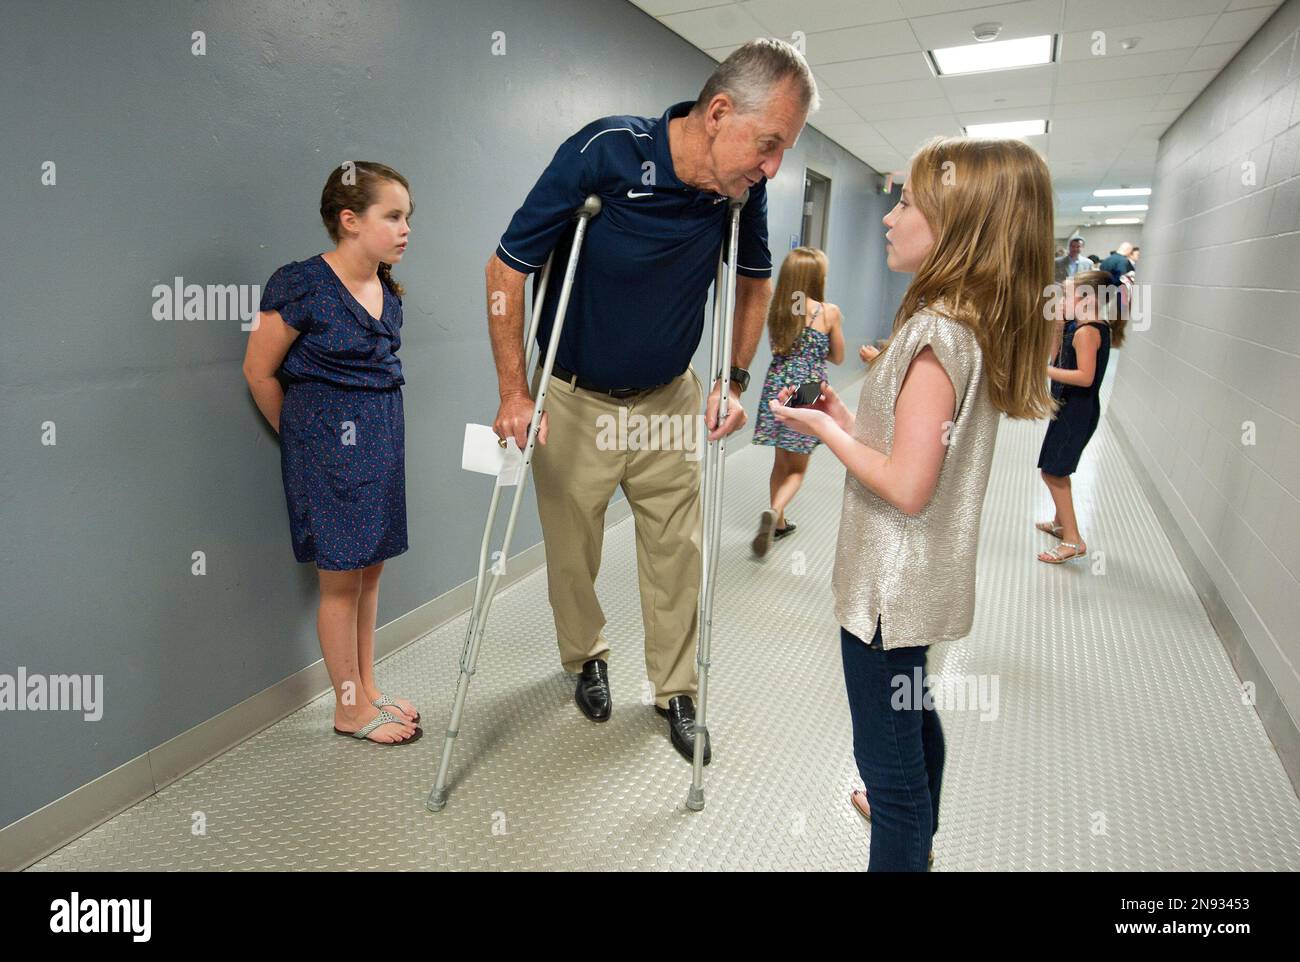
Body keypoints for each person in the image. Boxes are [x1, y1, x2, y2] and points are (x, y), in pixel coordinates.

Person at [486, 39, 817, 763]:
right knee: (573, 550)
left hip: (669, 400)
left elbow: (754, 281)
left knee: (677, 551)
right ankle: (585, 657)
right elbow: (506, 270)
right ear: (718, 113)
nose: (771, 168)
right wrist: (514, 391)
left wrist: (733, 378)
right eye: (768, 144)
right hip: (574, 399)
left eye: (783, 152)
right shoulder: (604, 152)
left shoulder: (741, 193)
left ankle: (676, 691)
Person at [771, 136, 1057, 870]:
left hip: (886, 595)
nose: (889, 217)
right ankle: (915, 837)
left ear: (957, 223)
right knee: (915, 721)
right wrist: (847, 413)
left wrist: (824, 430)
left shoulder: (934, 334)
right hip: (922, 586)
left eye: (906, 203)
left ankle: (907, 841)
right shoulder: (972, 327)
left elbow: (906, 484)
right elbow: (919, 445)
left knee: (891, 781)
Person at [242, 162, 421, 745]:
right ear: (350, 220)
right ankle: (349, 711)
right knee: (340, 585)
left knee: (371, 572)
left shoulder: (386, 288)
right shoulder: (301, 284)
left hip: (382, 447)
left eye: (407, 217)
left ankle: (366, 688)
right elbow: (259, 371)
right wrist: (304, 442)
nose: (405, 229)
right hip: (328, 456)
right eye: (392, 216)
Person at [749, 247, 845, 557]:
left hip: (778, 385)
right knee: (798, 468)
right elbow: (838, 357)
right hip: (808, 389)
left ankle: (778, 523)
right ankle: (775, 511)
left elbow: (778, 348)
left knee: (781, 460)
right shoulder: (828, 312)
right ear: (816, 277)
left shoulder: (779, 309)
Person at [1035, 269, 1126, 563]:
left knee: (1053, 472)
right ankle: (1060, 523)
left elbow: (1085, 377)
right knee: (1057, 466)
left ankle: (1074, 540)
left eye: (1066, 294)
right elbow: (1057, 358)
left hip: (1076, 410)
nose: (1060, 300)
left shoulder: (1087, 332)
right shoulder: (1079, 326)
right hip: (1069, 407)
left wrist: (1041, 372)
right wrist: (1058, 326)